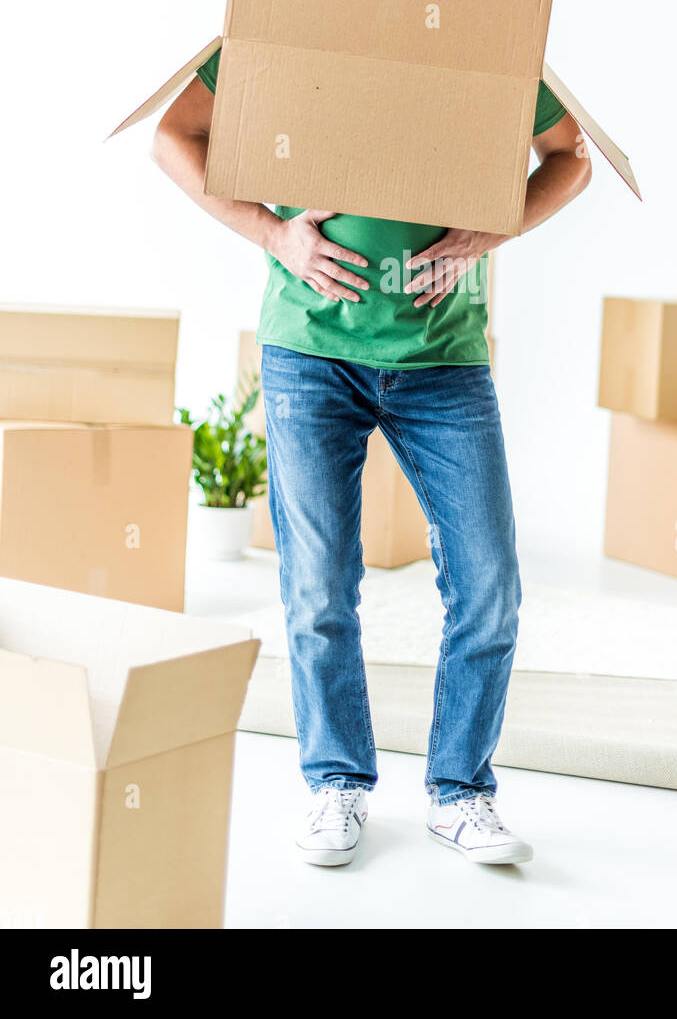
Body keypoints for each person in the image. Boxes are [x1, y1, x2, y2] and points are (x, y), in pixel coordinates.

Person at [152, 47, 591, 866]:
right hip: (310, 351)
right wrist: (272, 234)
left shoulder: (486, 36)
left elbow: (569, 154)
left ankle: (459, 793)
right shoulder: (287, 25)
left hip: (443, 356)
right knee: (318, 583)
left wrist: (497, 227)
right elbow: (175, 135)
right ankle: (335, 783)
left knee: (488, 583)